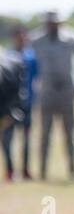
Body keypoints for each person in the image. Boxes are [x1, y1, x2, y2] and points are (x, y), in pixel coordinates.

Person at [31, 10, 74, 181]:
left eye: (56, 23)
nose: (53, 26)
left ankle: (73, 169)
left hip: (66, 91)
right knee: (44, 133)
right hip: (47, 91)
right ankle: (42, 171)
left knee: (70, 132)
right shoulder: (37, 41)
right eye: (50, 23)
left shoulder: (72, 39)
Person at [2, 27, 37, 181]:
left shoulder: (32, 57)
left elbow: (37, 79)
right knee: (7, 139)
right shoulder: (6, 57)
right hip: (9, 106)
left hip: (27, 103)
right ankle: (10, 169)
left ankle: (25, 169)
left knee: (27, 139)